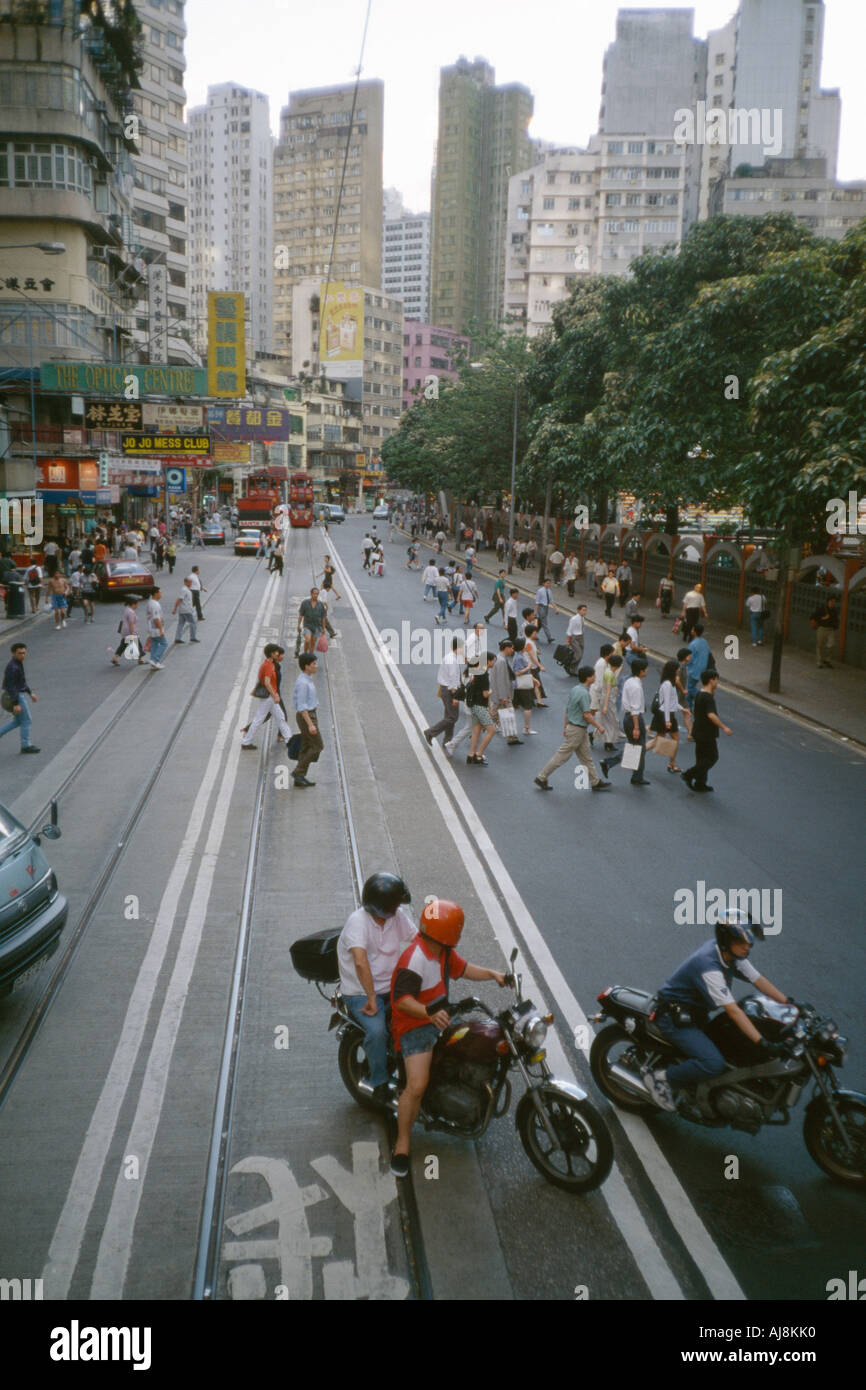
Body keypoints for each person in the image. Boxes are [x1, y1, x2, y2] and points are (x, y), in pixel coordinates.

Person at [389, 898, 505, 1176]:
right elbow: (401, 1000)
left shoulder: (442, 952)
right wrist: (427, 1013)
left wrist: (494, 974)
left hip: (439, 1017)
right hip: (414, 1027)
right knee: (416, 1086)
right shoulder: (414, 958)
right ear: (450, 932)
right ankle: (402, 1144)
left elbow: (464, 969)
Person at [641, 911, 789, 1112]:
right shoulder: (708, 965)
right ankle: (660, 1079)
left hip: (695, 1013)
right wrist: (762, 1042)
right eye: (742, 942)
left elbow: (758, 979)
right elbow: (734, 1011)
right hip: (674, 1017)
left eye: (748, 942)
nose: (747, 947)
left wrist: (789, 1003)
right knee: (713, 1063)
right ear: (727, 940)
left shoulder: (731, 954)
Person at [337, 874, 416, 1104]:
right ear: (380, 908)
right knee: (377, 1032)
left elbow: (416, 938)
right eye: (394, 905)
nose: (397, 909)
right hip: (362, 992)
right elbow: (360, 962)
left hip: (391, 986)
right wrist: (371, 997)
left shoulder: (396, 917)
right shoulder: (357, 922)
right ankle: (379, 1081)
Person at [534, 666, 611, 792]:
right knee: (562, 755)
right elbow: (586, 715)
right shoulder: (584, 693)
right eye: (593, 675)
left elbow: (568, 709)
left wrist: (565, 726)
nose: (595, 677)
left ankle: (595, 781)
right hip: (577, 729)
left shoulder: (575, 689)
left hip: (575, 728)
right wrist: (599, 727)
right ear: (588, 678)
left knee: (586, 757)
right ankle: (541, 777)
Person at [601, 656, 650, 786]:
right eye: (645, 669)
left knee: (638, 748)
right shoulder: (636, 686)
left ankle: (637, 776)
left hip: (629, 717)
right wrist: (636, 727)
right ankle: (609, 763)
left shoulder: (631, 681)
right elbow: (634, 709)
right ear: (640, 671)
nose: (647, 671)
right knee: (636, 747)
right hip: (634, 718)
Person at [681, 669, 731, 793]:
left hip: (698, 730)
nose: (717, 683)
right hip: (706, 733)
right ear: (711, 680)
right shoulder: (707, 697)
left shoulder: (699, 693)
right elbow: (711, 715)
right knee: (712, 757)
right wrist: (724, 727)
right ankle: (689, 774)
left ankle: (700, 783)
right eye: (716, 680)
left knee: (702, 758)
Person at [242, 644, 295, 750]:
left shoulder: (268, 664)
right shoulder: (269, 666)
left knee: (280, 717)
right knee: (259, 719)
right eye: (276, 652)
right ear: (271, 653)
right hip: (269, 697)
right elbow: (267, 682)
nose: (278, 654)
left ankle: (289, 739)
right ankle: (246, 742)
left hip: (270, 697)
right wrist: (275, 695)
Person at [423, 634, 464, 750]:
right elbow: (452, 678)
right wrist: (455, 696)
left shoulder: (451, 657)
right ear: (459, 647)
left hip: (446, 689)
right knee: (452, 717)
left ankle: (447, 741)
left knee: (450, 715)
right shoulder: (452, 660)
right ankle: (431, 732)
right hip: (450, 690)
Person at [0, 642, 39, 754]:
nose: (23, 655)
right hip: (16, 696)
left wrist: (30, 693)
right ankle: (26, 746)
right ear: (13, 653)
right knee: (27, 720)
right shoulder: (13, 667)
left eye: (24, 653)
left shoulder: (17, 663)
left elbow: (21, 682)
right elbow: (12, 686)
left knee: (17, 721)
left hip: (16, 694)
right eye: (20, 653)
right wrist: (16, 703)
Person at [291, 651, 323, 787]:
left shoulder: (306, 679)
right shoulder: (303, 683)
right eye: (314, 664)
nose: (316, 666)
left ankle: (300, 777)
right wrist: (310, 724)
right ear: (306, 666)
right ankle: (298, 772)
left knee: (306, 746)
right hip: (307, 716)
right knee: (317, 746)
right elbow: (302, 706)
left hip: (310, 714)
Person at [650, 658, 685, 773]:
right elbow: (665, 704)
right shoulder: (667, 684)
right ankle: (635, 756)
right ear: (673, 670)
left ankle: (672, 763)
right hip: (664, 715)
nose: (679, 670)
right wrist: (667, 721)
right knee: (657, 741)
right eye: (677, 668)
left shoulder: (671, 683)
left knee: (675, 739)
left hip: (669, 715)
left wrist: (682, 709)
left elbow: (672, 702)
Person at [464, 651, 498, 765]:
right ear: (488, 661)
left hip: (475, 704)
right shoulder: (484, 675)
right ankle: (478, 754)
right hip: (480, 706)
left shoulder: (478, 672)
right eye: (493, 660)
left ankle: (471, 755)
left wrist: (489, 706)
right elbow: (485, 694)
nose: (494, 662)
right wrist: (491, 691)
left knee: (477, 730)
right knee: (492, 730)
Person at [490, 637, 522, 745]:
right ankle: (512, 738)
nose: (512, 651)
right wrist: (503, 696)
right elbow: (501, 680)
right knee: (508, 715)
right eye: (511, 648)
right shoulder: (501, 661)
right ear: (507, 648)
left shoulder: (499, 658)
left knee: (493, 716)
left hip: (500, 694)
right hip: (503, 695)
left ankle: (476, 729)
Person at [510, 637, 538, 737]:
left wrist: (534, 679)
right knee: (527, 706)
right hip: (522, 686)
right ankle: (526, 728)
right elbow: (517, 672)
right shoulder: (519, 657)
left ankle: (499, 723)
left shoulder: (519, 655)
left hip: (518, 685)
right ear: (522, 647)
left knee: (515, 706)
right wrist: (528, 667)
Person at [112, 596, 148, 665]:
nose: (137, 606)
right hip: (130, 631)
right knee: (138, 646)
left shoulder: (127, 609)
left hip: (124, 631)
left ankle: (115, 658)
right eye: (137, 604)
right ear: (133, 604)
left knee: (123, 645)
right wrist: (132, 634)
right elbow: (131, 623)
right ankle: (140, 660)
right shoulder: (131, 612)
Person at [686, 623, 712, 709]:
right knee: (690, 688)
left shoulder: (693, 644)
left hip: (694, 670)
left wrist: (686, 665)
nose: (691, 630)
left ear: (695, 632)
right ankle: (690, 706)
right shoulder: (704, 642)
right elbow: (709, 653)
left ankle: (701, 697)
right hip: (703, 668)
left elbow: (689, 658)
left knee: (690, 688)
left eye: (692, 629)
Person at [811, 594, 839, 668]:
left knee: (831, 645)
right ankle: (819, 662)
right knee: (819, 645)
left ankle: (827, 660)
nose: (832, 603)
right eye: (831, 601)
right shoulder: (822, 609)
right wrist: (822, 618)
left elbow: (836, 620)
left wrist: (835, 627)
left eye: (834, 601)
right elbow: (813, 617)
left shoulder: (835, 610)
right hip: (822, 628)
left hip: (830, 629)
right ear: (827, 602)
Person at [298, 587, 327, 654]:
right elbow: (301, 615)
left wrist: (323, 628)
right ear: (311, 594)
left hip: (317, 627)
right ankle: (305, 654)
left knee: (313, 643)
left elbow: (323, 617)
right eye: (314, 594)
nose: (316, 595)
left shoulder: (320, 604)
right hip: (307, 626)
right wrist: (298, 625)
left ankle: (310, 657)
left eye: (317, 594)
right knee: (308, 640)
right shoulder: (305, 603)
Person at [534, 580, 555, 644]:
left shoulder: (549, 591)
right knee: (544, 622)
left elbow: (551, 600)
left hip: (546, 607)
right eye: (547, 583)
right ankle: (549, 637)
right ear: (543, 583)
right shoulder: (540, 591)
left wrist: (556, 608)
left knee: (539, 623)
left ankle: (534, 634)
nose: (548, 584)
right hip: (541, 607)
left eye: (549, 583)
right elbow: (537, 602)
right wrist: (535, 611)